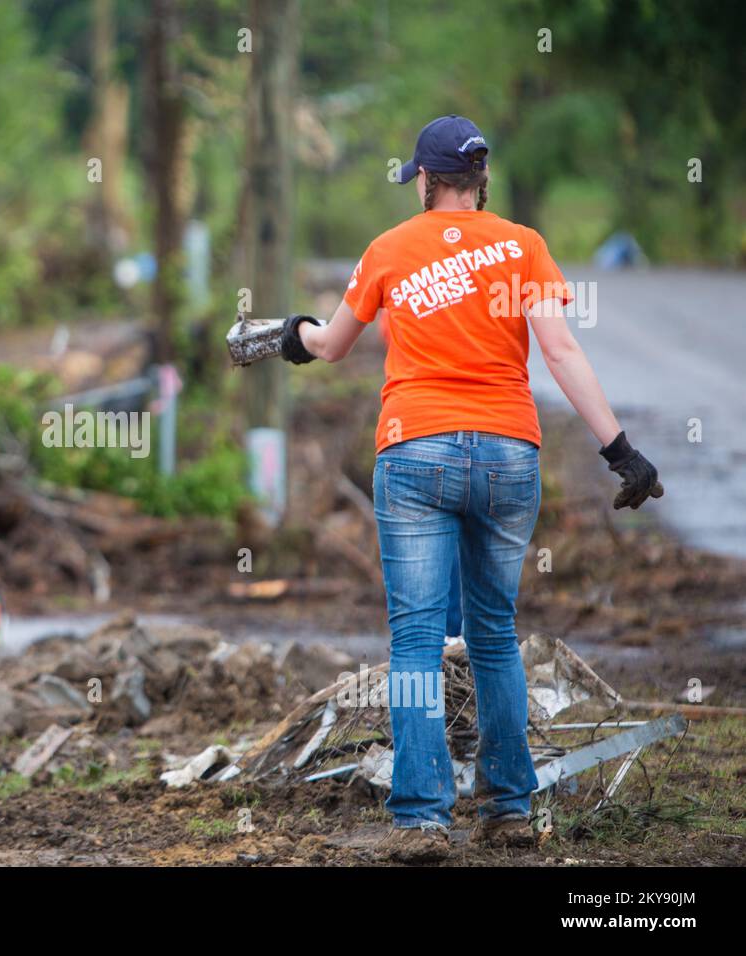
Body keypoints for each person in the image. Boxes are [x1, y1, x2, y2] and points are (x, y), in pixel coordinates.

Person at [280, 115, 662, 862]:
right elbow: (560, 350)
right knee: (493, 637)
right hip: (507, 456)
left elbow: (328, 345)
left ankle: (423, 817)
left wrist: (291, 334)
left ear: (424, 181)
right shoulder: (524, 247)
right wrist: (622, 452)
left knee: (417, 642)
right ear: (479, 180)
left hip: (415, 451)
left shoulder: (389, 249)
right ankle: (511, 808)